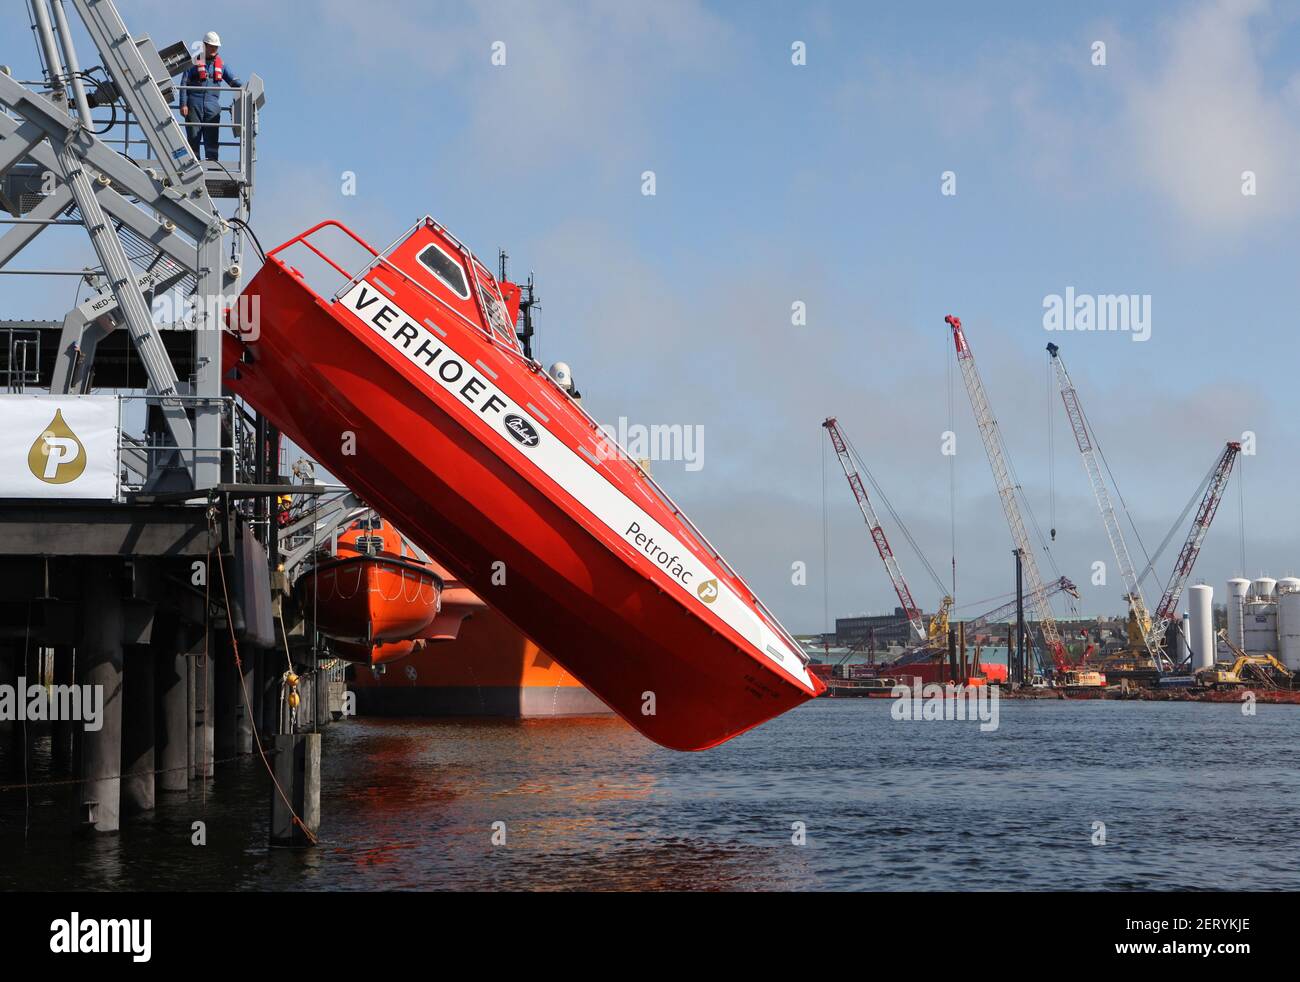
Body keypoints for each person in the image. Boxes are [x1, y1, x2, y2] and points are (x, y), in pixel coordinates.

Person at [179, 31, 242, 162]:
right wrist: (183, 104)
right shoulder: (193, 63)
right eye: (212, 46)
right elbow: (184, 83)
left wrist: (246, 88)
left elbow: (234, 81)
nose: (214, 49)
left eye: (216, 47)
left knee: (212, 136)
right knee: (193, 135)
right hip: (193, 104)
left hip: (212, 105)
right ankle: (193, 163)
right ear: (205, 46)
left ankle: (212, 163)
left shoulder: (222, 65)